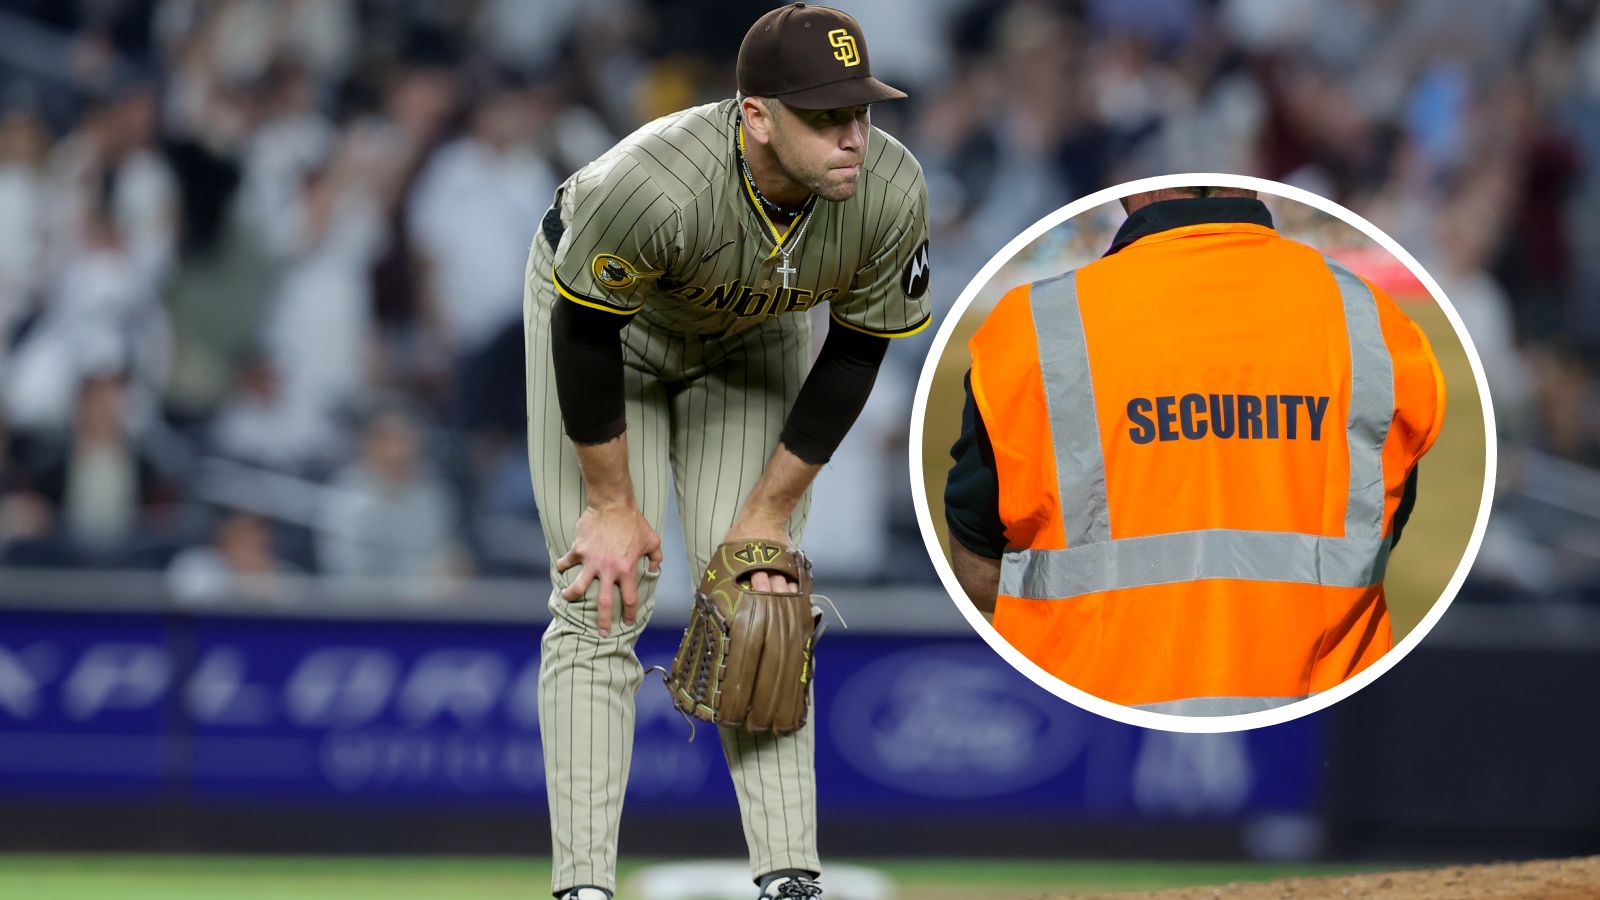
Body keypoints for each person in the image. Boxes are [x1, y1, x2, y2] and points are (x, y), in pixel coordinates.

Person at [524, 5, 929, 898]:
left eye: (860, 111)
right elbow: (584, 334)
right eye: (825, 115)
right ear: (757, 116)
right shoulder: (652, 182)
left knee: (762, 593)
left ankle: (789, 878)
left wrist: (768, 518)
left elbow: (857, 350)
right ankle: (583, 886)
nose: (852, 136)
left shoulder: (891, 188)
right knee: (602, 595)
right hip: (606, 335)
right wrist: (611, 507)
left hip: (753, 338)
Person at [945, 186, 1445, 717]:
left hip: (1091, 731)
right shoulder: (1372, 322)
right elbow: (1376, 532)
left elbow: (978, 574)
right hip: (1321, 734)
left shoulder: (1034, 329)